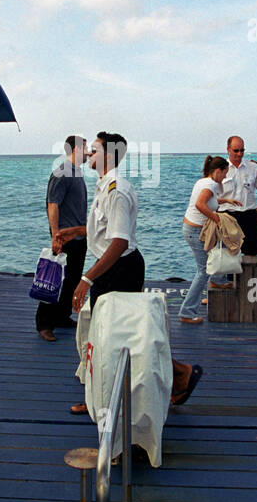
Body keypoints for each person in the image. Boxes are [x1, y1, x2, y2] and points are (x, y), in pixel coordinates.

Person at [69, 132, 202, 412]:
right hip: (110, 266)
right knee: (107, 336)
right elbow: (106, 232)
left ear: (108, 155)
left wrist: (86, 279)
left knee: (122, 337)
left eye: (93, 150)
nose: (88, 155)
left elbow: (119, 242)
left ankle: (179, 373)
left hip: (119, 269)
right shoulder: (104, 186)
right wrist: (75, 232)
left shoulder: (117, 190)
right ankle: (98, 397)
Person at [36, 135, 88, 342]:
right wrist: (55, 235)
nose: (88, 152)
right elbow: (53, 204)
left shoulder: (77, 171)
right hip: (64, 237)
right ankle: (44, 324)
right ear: (75, 149)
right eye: (85, 148)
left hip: (78, 237)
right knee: (53, 280)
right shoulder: (62, 171)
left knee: (73, 280)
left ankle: (62, 316)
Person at [178, 156, 229, 324]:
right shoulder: (211, 185)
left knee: (217, 251)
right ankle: (187, 312)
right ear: (218, 171)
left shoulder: (203, 182)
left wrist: (227, 200)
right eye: (224, 173)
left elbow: (209, 200)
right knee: (203, 271)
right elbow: (200, 204)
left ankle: (219, 280)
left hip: (194, 229)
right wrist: (217, 219)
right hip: (195, 231)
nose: (225, 177)